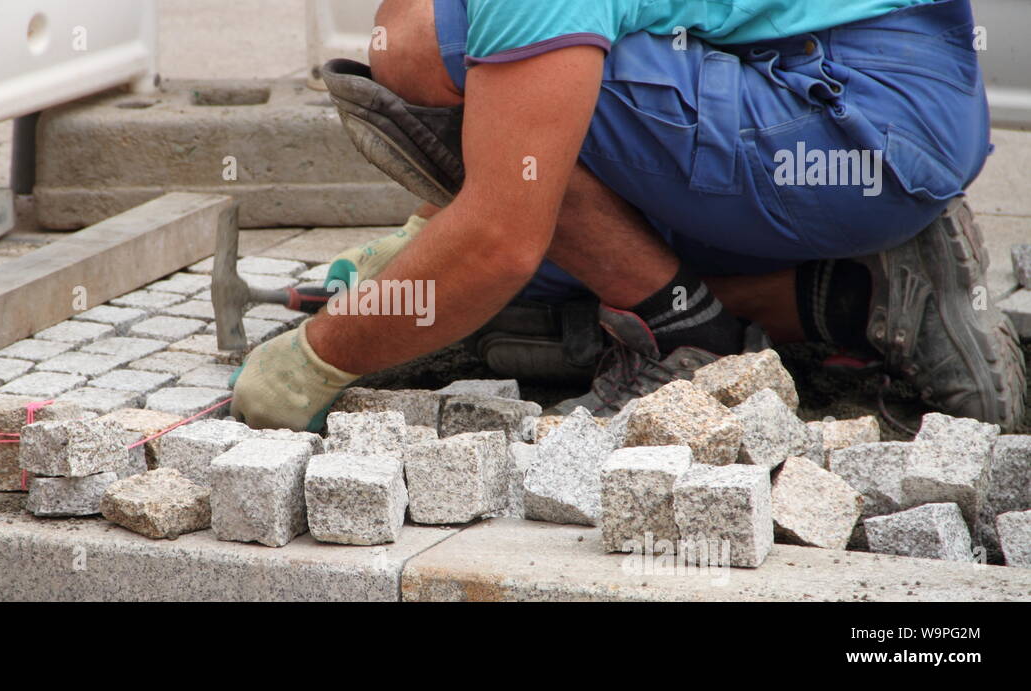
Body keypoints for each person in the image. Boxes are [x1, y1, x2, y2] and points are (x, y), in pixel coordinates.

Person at [230, 0, 1025, 432]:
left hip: (855, 126)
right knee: (537, 251)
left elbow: (502, 240)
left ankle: (681, 326)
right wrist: (422, 253)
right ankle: (867, 291)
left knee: (428, 60)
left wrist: (317, 359)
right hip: (915, 94)